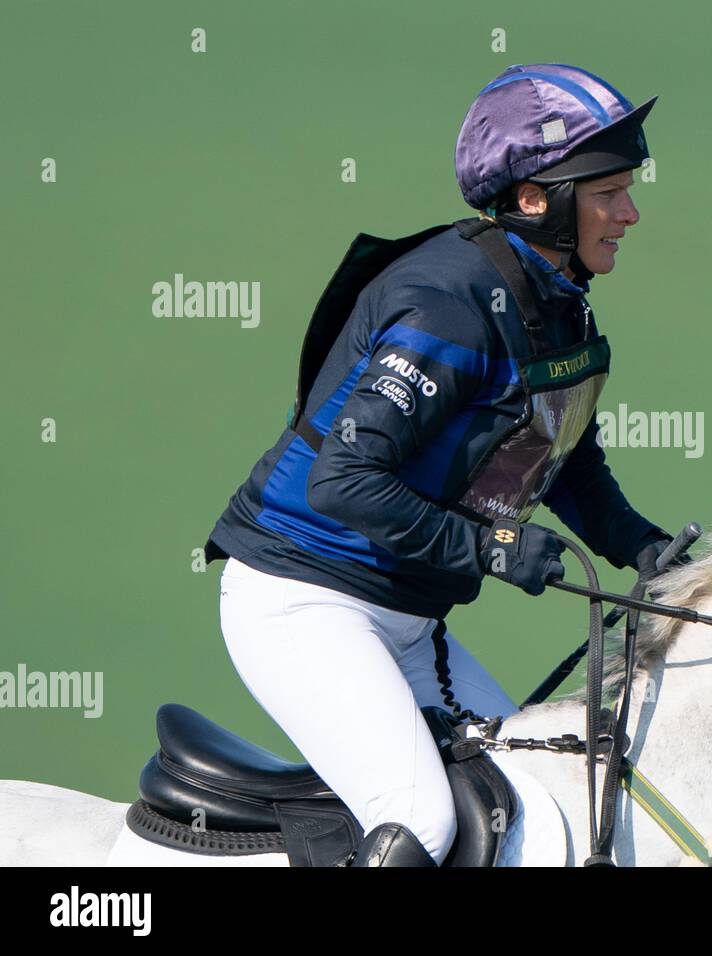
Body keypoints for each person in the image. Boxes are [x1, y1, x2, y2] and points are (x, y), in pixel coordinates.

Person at [202, 63, 676, 866]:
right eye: (609, 193)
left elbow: (562, 460)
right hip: (303, 603)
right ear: (536, 200)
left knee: (549, 806)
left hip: (410, 620)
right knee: (421, 819)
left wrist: (643, 548)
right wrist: (491, 549)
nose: (630, 213)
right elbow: (344, 483)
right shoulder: (445, 305)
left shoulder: (554, 300)